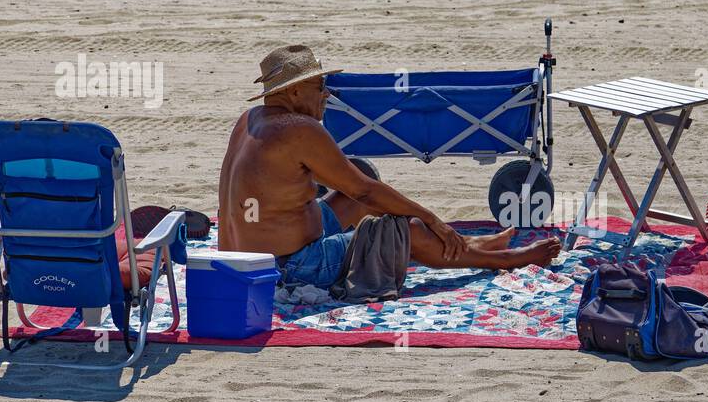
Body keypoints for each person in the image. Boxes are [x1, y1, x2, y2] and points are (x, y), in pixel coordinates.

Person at [218, 44, 560, 290]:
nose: (327, 94)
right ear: (292, 92)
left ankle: (471, 244)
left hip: (247, 258)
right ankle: (501, 260)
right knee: (404, 230)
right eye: (320, 85)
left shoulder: (250, 120)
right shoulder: (299, 129)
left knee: (363, 191)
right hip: (290, 268)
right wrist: (431, 219)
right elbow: (364, 191)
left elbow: (357, 187)